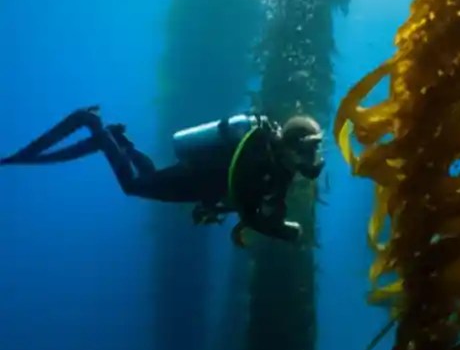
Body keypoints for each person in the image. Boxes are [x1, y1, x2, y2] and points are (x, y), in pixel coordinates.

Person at [0, 105, 325, 245]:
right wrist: (282, 231)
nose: (313, 159)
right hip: (192, 180)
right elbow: (246, 202)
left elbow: (267, 202)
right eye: (308, 150)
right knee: (133, 186)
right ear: (291, 146)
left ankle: (119, 140)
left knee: (151, 177)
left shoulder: (282, 167)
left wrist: (278, 221)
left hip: (197, 185)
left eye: (315, 152)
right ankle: (94, 127)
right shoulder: (258, 151)